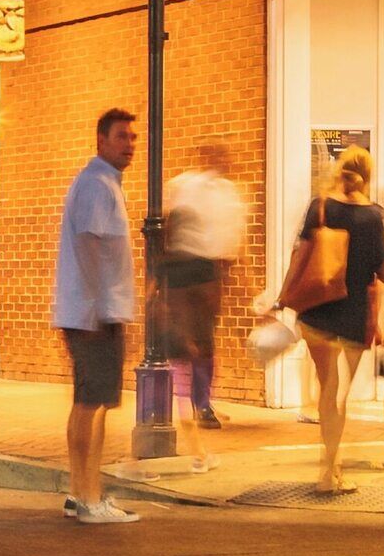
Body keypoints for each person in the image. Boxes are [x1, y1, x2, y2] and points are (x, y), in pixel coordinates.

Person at [50, 107, 140, 525]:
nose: (130, 144)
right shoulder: (97, 184)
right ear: (101, 141)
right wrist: (100, 306)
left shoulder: (103, 183)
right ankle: (88, 497)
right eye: (121, 136)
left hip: (93, 310)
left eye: (132, 137)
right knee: (92, 404)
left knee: (91, 402)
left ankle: (81, 491)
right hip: (94, 314)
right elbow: (88, 244)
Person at [292, 146, 384, 497]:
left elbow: (301, 252)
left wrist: (284, 297)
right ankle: (329, 469)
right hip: (353, 313)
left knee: (326, 389)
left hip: (318, 308)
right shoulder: (374, 215)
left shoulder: (319, 206)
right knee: (342, 397)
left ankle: (327, 472)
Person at [154, 143, 243, 431]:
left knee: (200, 339)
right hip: (187, 268)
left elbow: (231, 236)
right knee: (186, 338)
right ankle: (191, 402)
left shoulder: (225, 192)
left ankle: (199, 402)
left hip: (202, 270)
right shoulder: (185, 185)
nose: (220, 161)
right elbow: (166, 227)